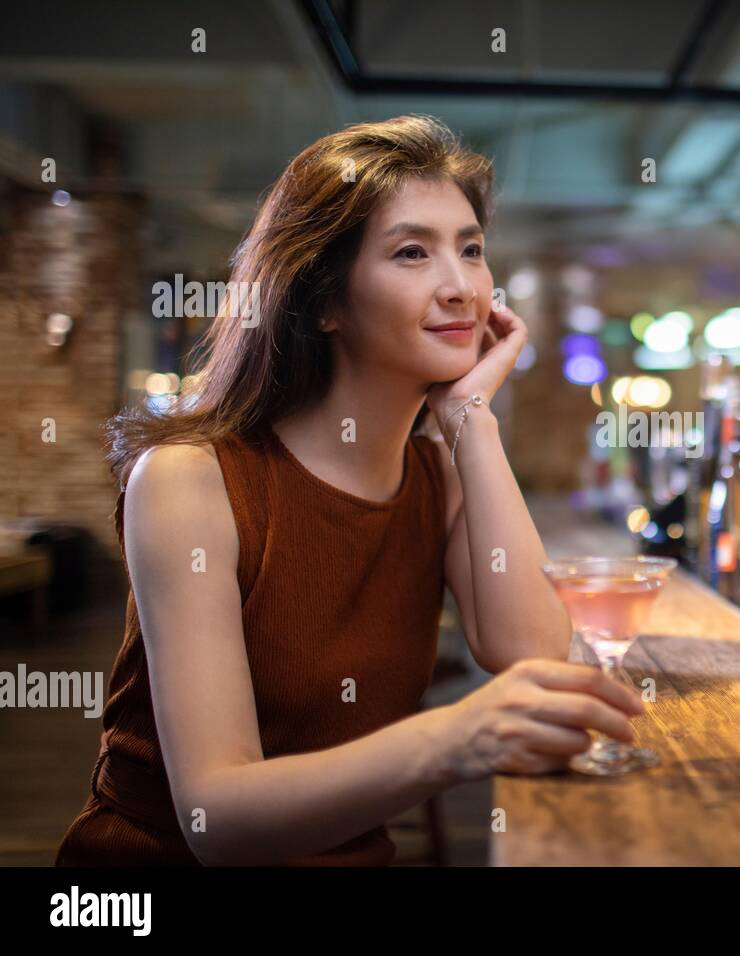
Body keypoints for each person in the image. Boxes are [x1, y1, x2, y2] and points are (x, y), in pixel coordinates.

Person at [55, 114, 642, 866]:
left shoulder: (439, 475)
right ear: (325, 302)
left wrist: (470, 419)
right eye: (411, 253)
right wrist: (455, 737)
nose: (461, 286)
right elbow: (215, 822)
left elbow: (538, 653)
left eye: (471, 250)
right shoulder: (191, 480)